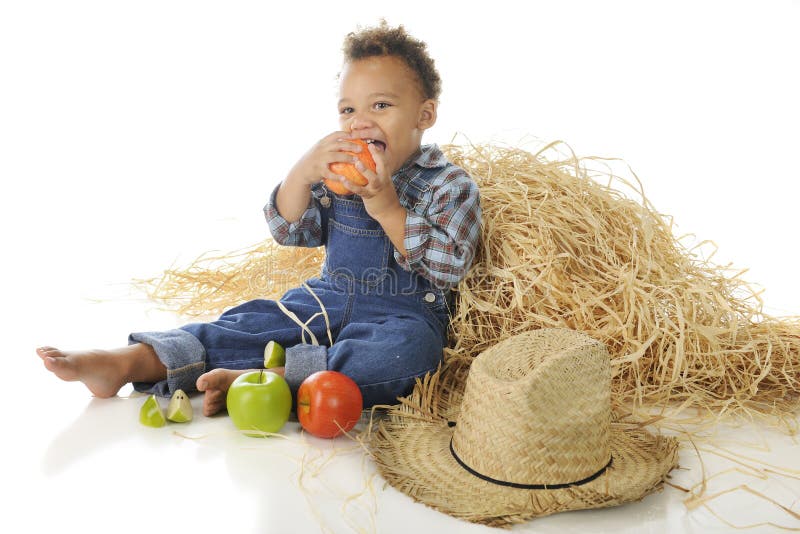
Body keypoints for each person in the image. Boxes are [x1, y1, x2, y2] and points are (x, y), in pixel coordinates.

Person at [36, 21, 481, 417]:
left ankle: (274, 379)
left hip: (399, 314)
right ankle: (131, 361)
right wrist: (302, 172)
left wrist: (385, 205)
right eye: (348, 110)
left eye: (380, 106)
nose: (360, 123)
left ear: (425, 114)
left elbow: (448, 267)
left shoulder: (448, 184)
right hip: (324, 299)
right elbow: (288, 229)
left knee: (411, 355)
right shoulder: (336, 173)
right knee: (251, 322)